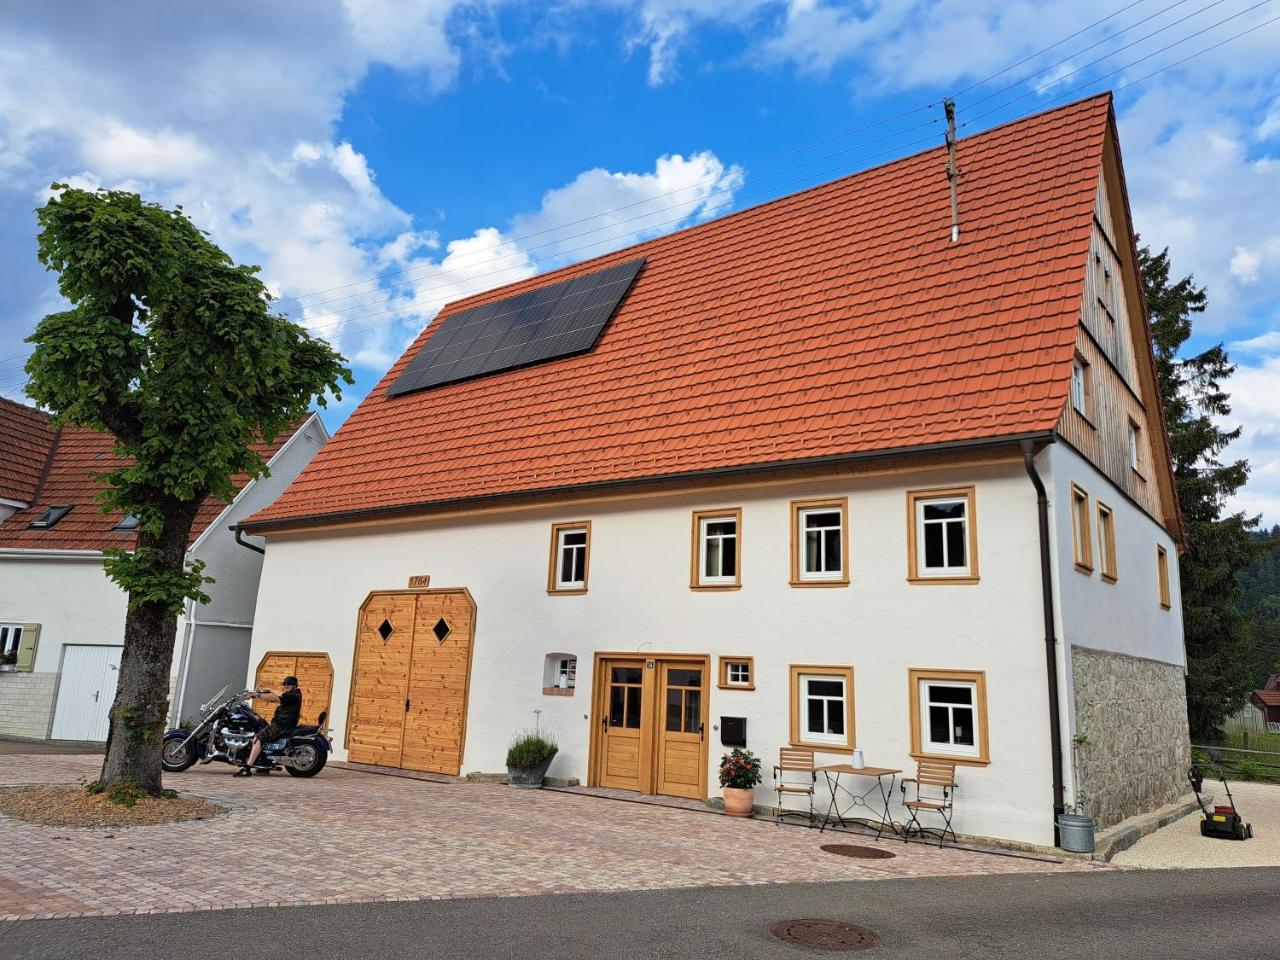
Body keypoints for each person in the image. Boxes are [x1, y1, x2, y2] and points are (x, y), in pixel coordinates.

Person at [236, 675, 302, 777]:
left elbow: (280, 696)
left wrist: (268, 690)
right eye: (284, 684)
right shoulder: (291, 695)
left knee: (258, 738)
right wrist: (256, 695)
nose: (286, 685)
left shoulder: (294, 696)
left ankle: (247, 768)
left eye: (289, 684)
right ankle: (264, 763)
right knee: (259, 727)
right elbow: (274, 698)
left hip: (282, 725)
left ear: (294, 685)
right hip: (281, 723)